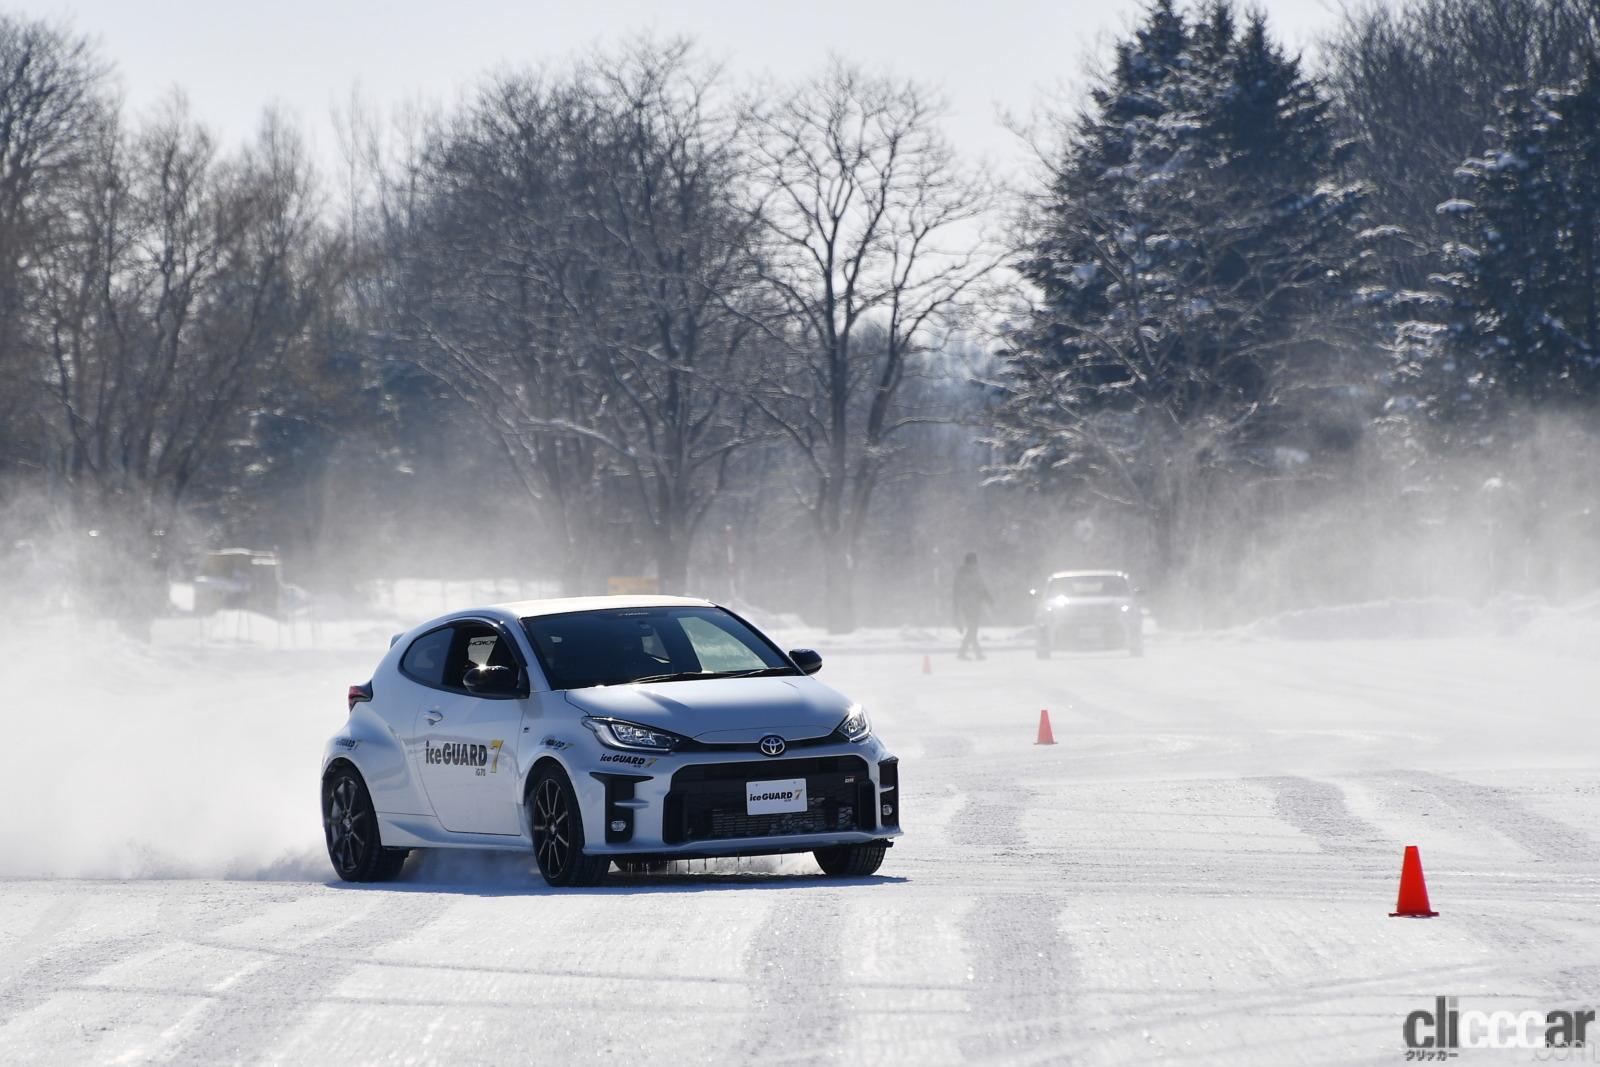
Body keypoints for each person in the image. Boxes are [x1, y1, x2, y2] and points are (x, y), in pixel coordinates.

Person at [952, 551, 993, 660]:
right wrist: (987, 597)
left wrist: (987, 597)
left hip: (973, 604)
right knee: (972, 629)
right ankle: (965, 652)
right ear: (970, 562)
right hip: (969, 605)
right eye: (974, 562)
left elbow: (980, 587)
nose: (975, 564)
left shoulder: (969, 573)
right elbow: (979, 588)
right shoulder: (966, 574)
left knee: (973, 629)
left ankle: (974, 653)